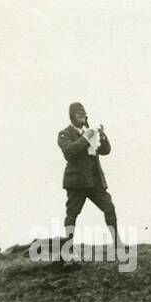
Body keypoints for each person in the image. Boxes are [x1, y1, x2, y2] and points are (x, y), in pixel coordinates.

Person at [57, 101, 118, 244]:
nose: (82, 117)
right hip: (77, 182)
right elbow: (69, 151)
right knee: (72, 213)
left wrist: (102, 137)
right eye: (79, 115)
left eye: (84, 114)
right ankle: (68, 246)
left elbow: (105, 151)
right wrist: (86, 137)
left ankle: (117, 243)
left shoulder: (90, 132)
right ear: (72, 117)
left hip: (94, 181)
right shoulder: (64, 134)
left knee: (109, 207)